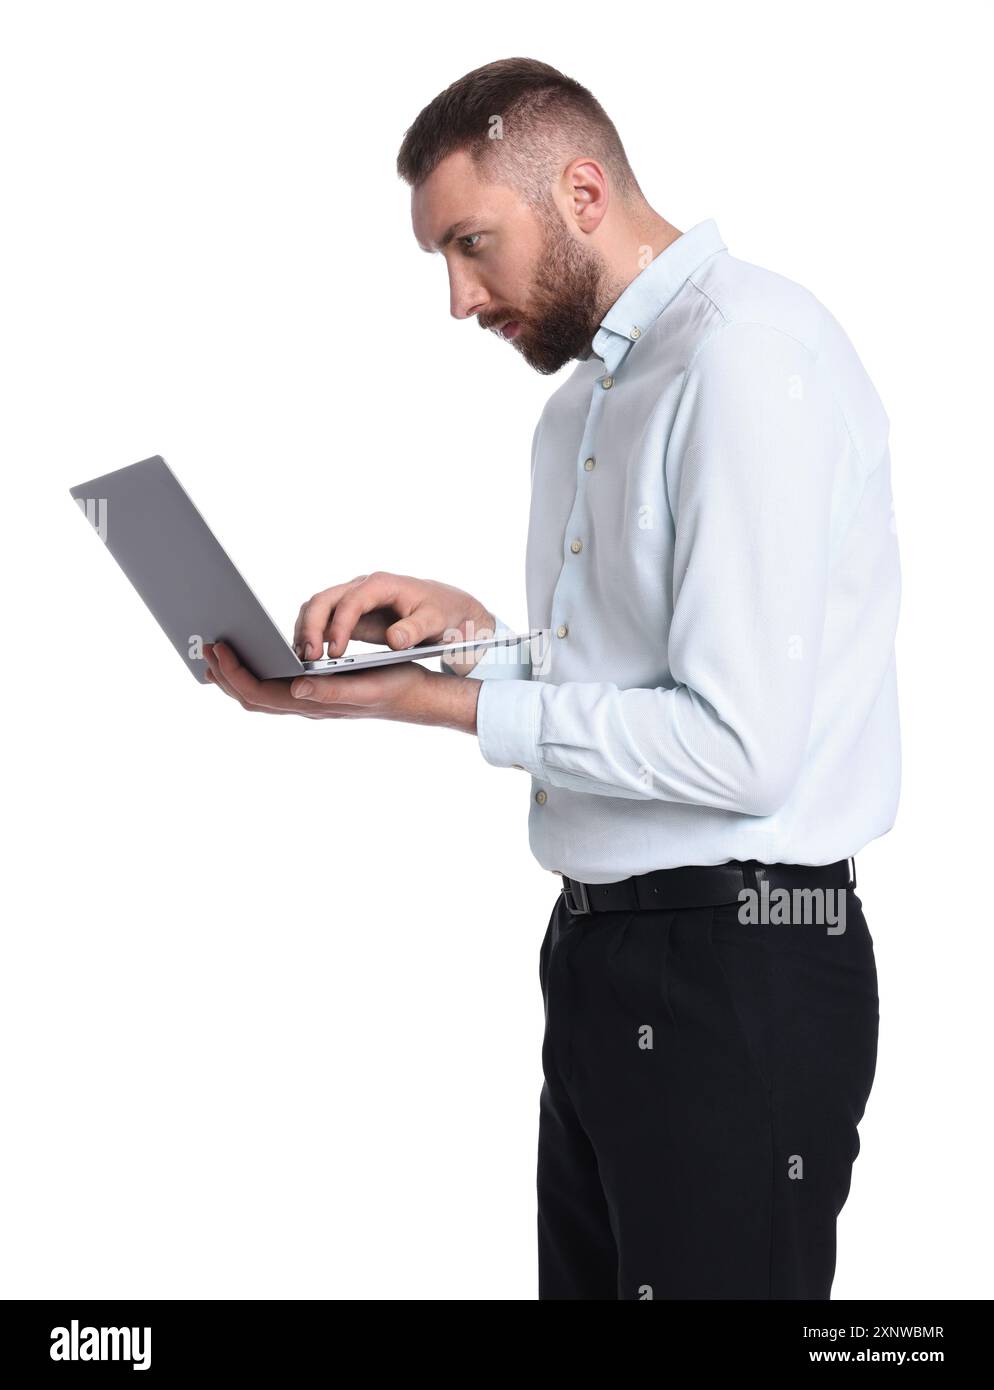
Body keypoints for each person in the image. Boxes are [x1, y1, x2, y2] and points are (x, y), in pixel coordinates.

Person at [204, 57, 900, 1301]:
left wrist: (450, 703)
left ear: (582, 192)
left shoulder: (744, 360)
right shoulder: (583, 405)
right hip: (599, 954)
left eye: (471, 245)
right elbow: (631, 675)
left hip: (739, 964)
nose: (458, 299)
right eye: (441, 258)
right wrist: (471, 644)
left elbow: (740, 749)